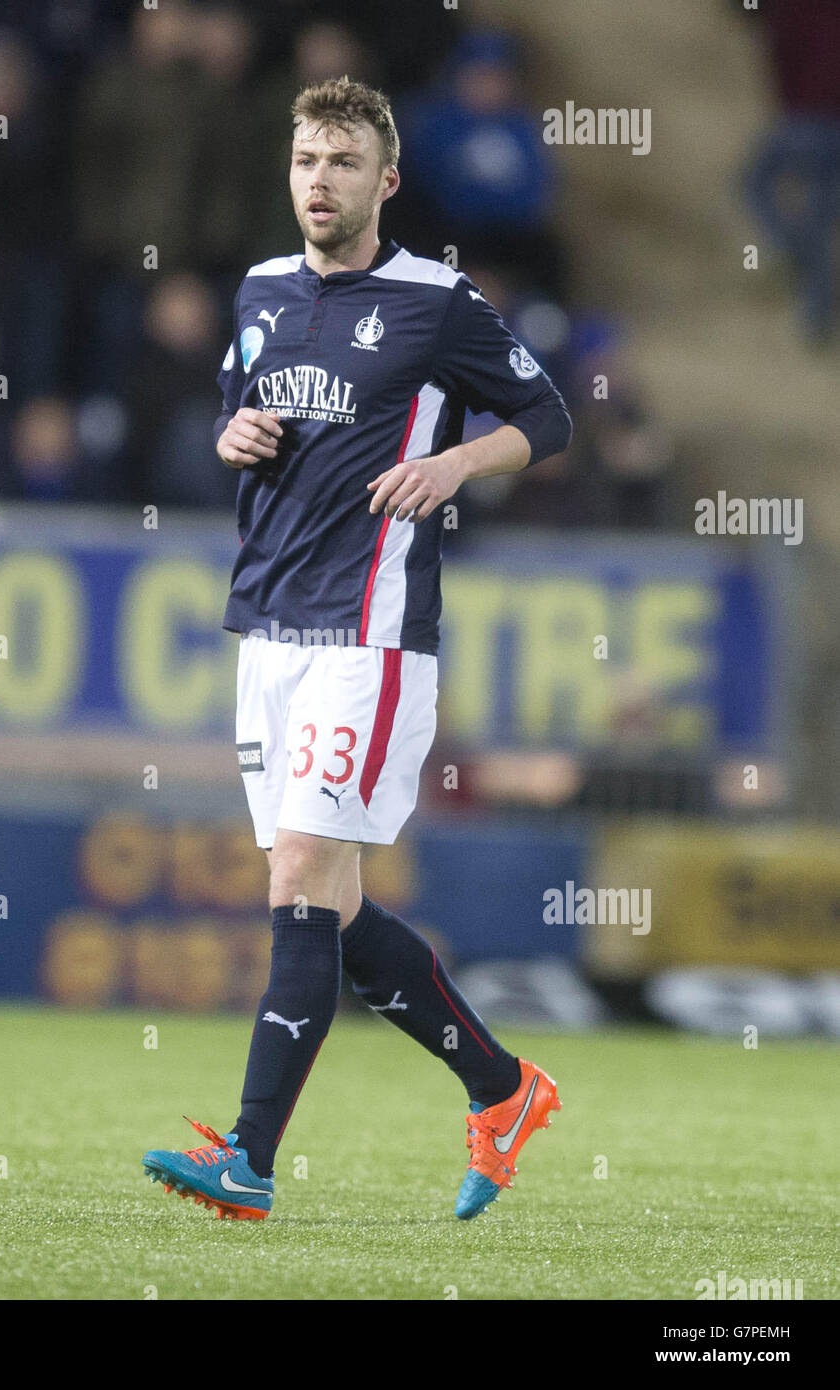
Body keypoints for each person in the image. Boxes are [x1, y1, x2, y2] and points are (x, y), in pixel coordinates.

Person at [142, 78, 570, 1222]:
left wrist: (453, 466)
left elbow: (548, 416)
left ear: (385, 180)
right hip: (268, 629)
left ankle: (248, 1159)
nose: (317, 180)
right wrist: (230, 433)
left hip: (369, 636)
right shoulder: (260, 290)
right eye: (302, 160)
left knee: (294, 885)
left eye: (340, 161)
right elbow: (242, 415)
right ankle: (501, 1086)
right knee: (324, 909)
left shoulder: (434, 301)